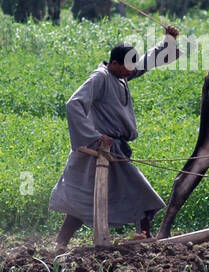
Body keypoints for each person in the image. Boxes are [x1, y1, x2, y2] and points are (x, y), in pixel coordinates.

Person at [50, 25, 181, 250]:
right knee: (134, 194)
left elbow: (148, 61)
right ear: (115, 64)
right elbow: (73, 104)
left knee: (91, 201)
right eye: (127, 68)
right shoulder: (100, 77)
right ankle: (142, 235)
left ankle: (141, 235)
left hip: (116, 150)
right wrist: (93, 136)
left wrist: (169, 41)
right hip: (99, 151)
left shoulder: (121, 75)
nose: (131, 72)